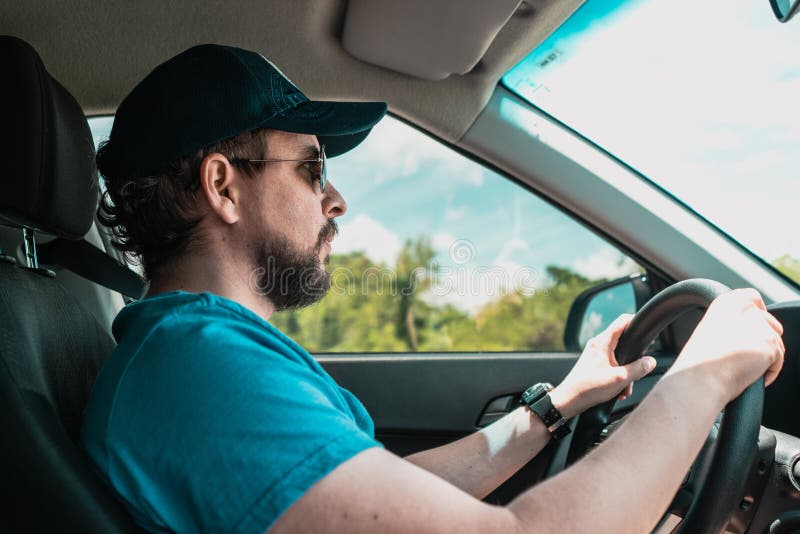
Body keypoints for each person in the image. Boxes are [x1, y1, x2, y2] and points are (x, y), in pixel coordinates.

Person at [80, 44, 785, 534]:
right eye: (311, 169)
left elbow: (378, 491)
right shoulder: (199, 369)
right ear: (222, 186)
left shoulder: (199, 352)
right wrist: (702, 376)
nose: (336, 201)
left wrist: (561, 401)